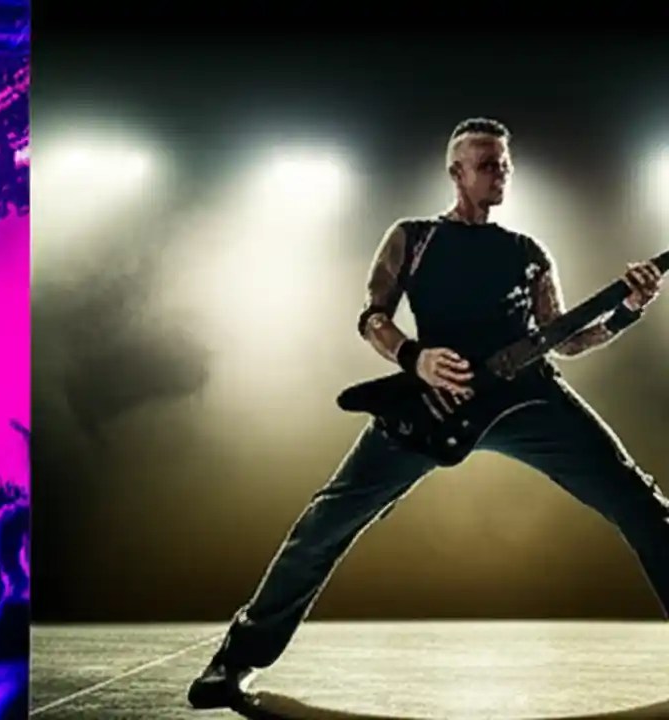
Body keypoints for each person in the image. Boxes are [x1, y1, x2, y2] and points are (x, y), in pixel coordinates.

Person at [187, 117, 669, 710]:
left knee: (641, 503)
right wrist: (415, 358)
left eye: (505, 165)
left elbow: (564, 339)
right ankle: (233, 659)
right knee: (325, 522)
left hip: (528, 401)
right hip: (433, 406)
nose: (500, 175)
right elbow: (372, 316)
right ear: (456, 172)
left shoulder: (525, 252)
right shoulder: (413, 239)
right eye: (487, 164)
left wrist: (628, 310)